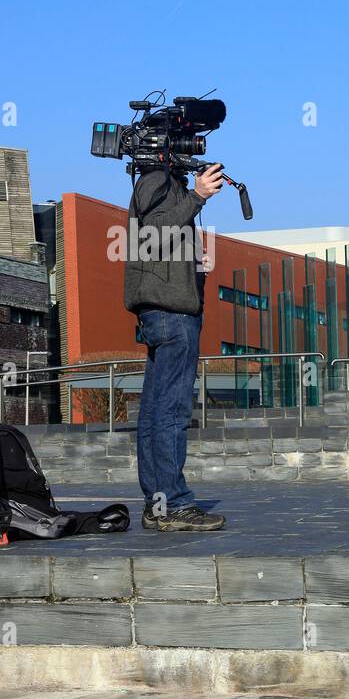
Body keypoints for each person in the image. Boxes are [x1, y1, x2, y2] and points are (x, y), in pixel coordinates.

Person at [124, 160, 226, 531]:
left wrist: (194, 265)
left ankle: (159, 503)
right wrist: (198, 195)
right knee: (171, 411)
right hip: (172, 315)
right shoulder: (158, 182)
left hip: (166, 312)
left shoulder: (159, 184)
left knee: (155, 411)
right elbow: (152, 237)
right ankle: (173, 503)